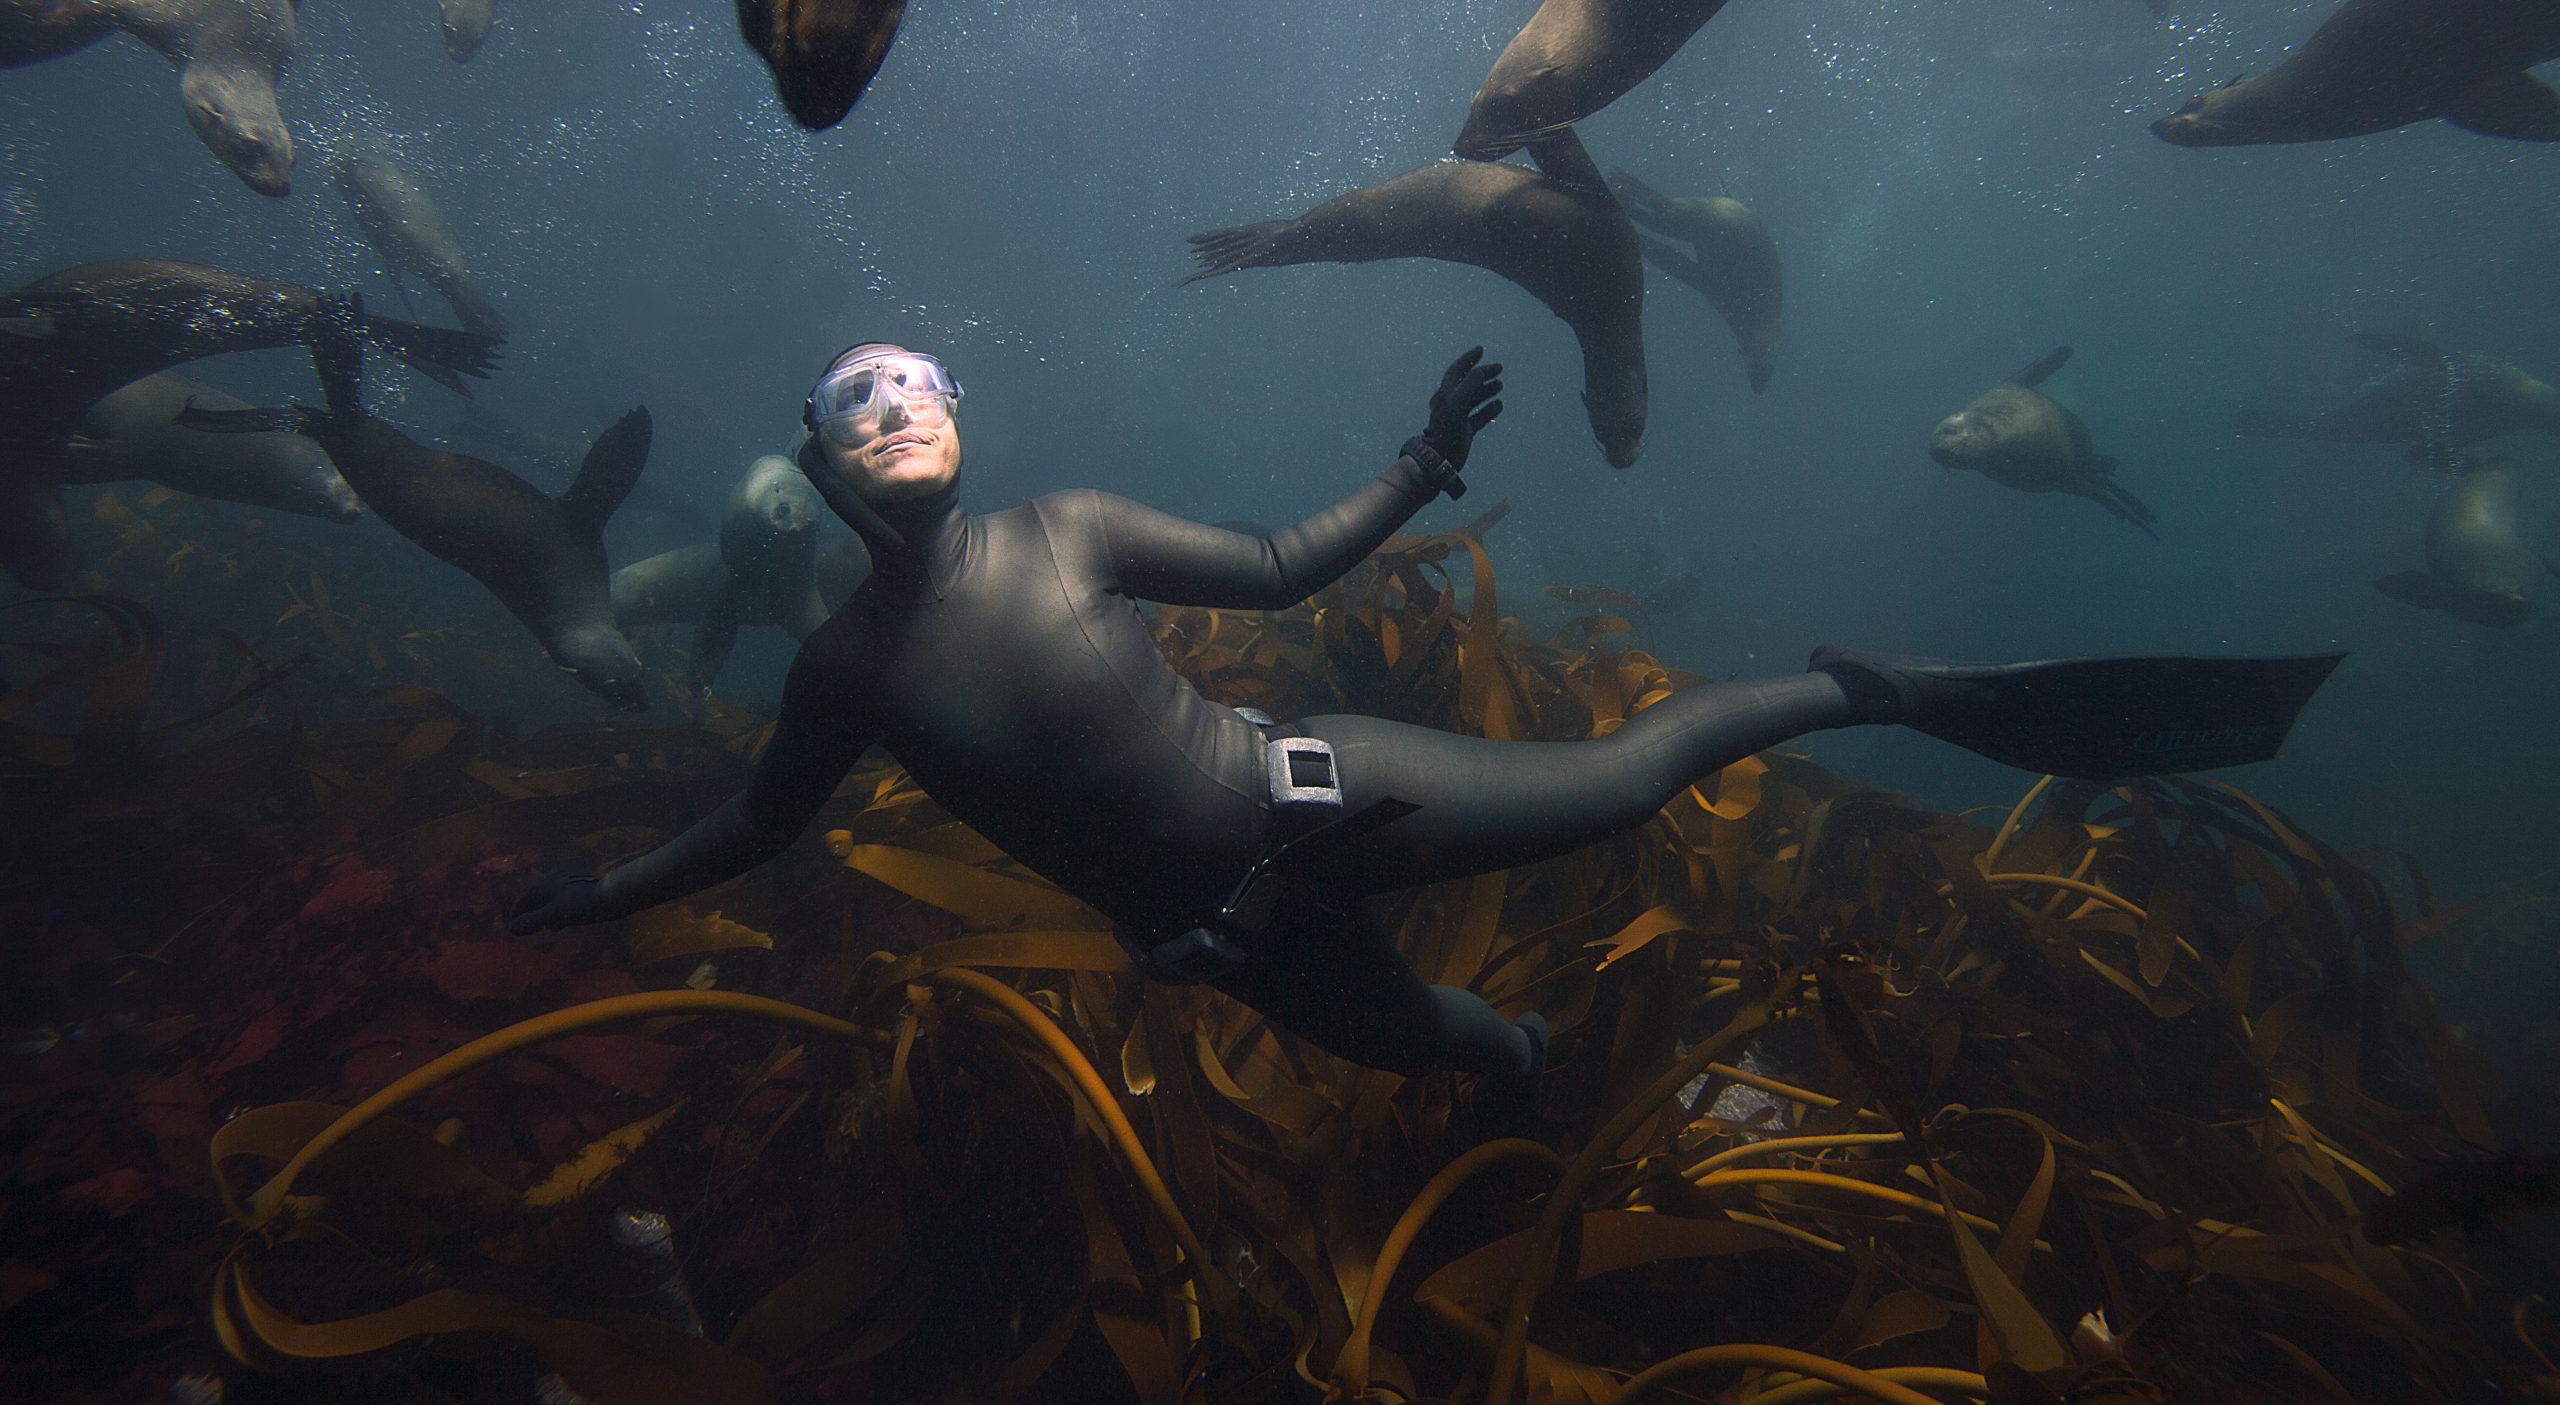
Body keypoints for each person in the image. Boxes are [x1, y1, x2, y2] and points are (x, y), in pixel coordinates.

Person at [514, 342, 2339, 1087]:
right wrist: (603, 895)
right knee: (1467, 1053)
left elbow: (1276, 565)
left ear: (957, 416)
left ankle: (1859, 689)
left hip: (1316, 790)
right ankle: (1551, 1088)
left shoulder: (1063, 528)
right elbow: (761, 823)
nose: (899, 407)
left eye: (919, 381)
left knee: (1625, 782)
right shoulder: (840, 670)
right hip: (1229, 935)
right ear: (820, 461)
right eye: (858, 401)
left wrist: (1419, 458)